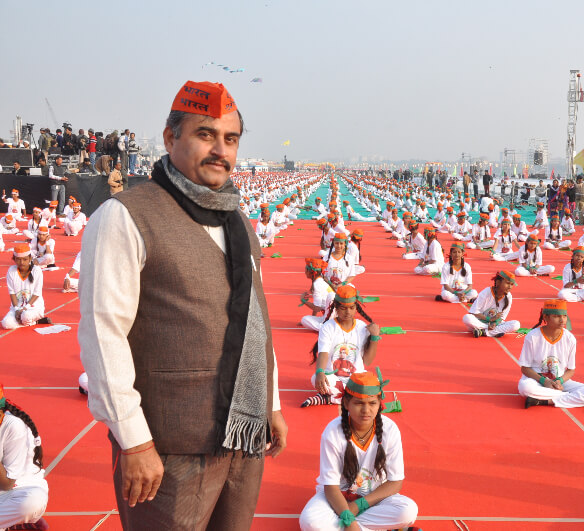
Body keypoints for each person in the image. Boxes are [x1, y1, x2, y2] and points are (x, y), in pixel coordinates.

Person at [78, 81, 285, 530]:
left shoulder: (239, 221)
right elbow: (102, 332)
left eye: (230, 139)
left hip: (243, 437)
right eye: (206, 135)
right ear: (171, 138)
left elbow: (255, 316)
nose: (220, 150)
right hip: (167, 446)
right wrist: (133, 441)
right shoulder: (126, 215)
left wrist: (270, 404)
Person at [298, 370, 419, 531]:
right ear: (346, 404)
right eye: (359, 403)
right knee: (310, 522)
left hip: (373, 498)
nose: (366, 410)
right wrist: (348, 517)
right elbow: (331, 486)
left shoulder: (390, 429)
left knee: (408, 511)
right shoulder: (333, 431)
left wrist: (357, 506)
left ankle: (346, 526)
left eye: (372, 403)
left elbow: (395, 482)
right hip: (336, 499)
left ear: (380, 404)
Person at [302, 286, 380, 407]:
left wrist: (374, 338)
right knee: (316, 379)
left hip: (356, 377)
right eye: (343, 308)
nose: (348, 312)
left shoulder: (362, 327)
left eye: (351, 308)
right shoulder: (328, 326)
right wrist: (320, 372)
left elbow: (367, 361)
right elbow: (323, 352)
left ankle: (327, 398)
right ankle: (351, 396)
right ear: (336, 308)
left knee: (375, 383)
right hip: (333, 377)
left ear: (356, 308)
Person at [517, 299, 584, 408]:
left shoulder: (570, 338)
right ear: (546, 317)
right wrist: (545, 381)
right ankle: (571, 397)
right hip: (536, 380)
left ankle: (544, 401)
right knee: (525, 388)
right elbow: (525, 368)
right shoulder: (532, 336)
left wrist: (559, 381)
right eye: (557, 316)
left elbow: (571, 370)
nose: (562, 320)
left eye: (565, 316)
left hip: (560, 382)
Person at [0, 386, 49, 530]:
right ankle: (11, 521)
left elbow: (7, 484)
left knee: (32, 502)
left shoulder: (13, 425)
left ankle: (14, 519)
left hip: (17, 491)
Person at [463, 271, 521, 338]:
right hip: (479, 323)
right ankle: (490, 331)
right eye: (507, 283)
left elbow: (501, 318)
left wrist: (494, 323)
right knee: (467, 318)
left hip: (494, 325)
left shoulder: (508, 296)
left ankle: (483, 332)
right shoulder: (486, 292)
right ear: (498, 282)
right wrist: (489, 320)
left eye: (512, 284)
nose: (510, 287)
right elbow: (473, 312)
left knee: (516, 324)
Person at [2, 244, 46, 330]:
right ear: (14, 259)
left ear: (30, 259)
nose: (21, 262)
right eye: (18, 259)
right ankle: (31, 322)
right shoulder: (11, 271)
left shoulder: (37, 270)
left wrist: (25, 308)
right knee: (6, 324)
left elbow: (37, 293)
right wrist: (16, 309)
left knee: (26, 316)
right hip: (17, 307)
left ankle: (34, 320)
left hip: (34, 307)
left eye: (25, 259)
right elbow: (12, 293)